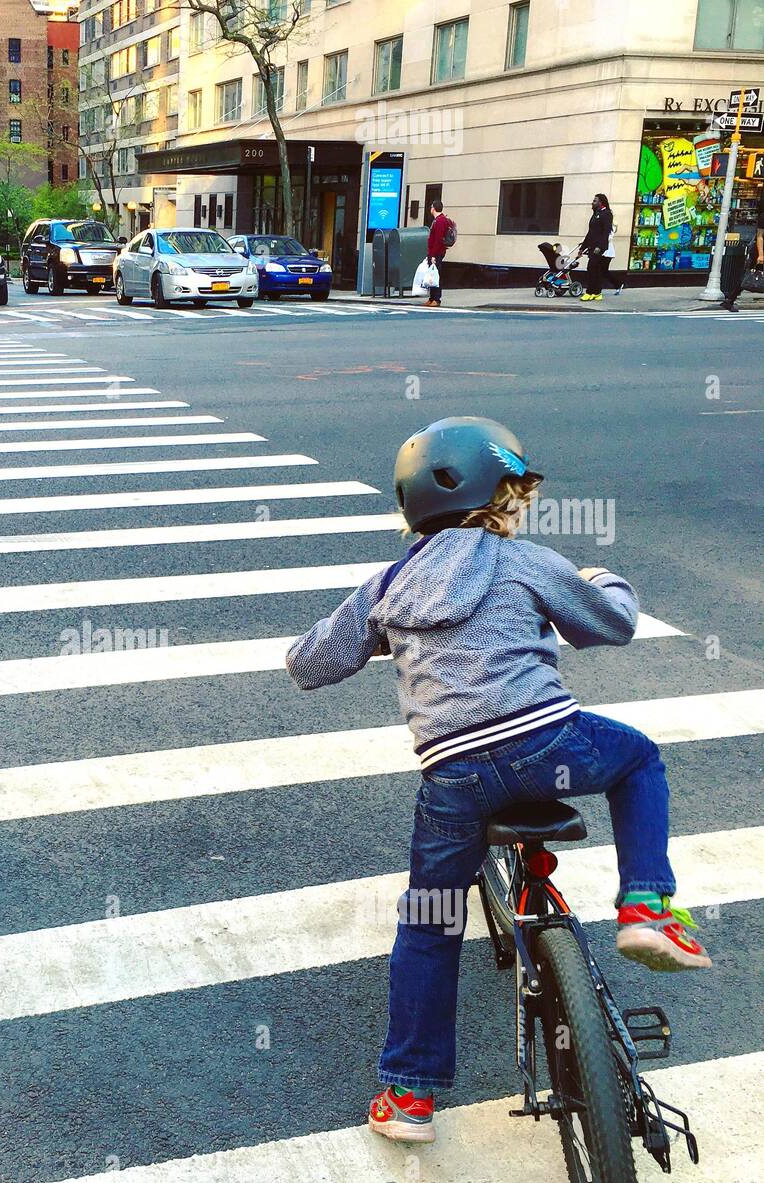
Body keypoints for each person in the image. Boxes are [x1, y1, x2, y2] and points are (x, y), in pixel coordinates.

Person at [285, 417, 710, 1144]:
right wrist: (603, 579)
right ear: (499, 501)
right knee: (638, 759)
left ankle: (411, 1096)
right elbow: (609, 624)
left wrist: (326, 640)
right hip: (551, 744)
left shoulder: (388, 585)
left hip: (454, 776)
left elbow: (312, 665)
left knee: (429, 922)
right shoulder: (521, 561)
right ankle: (646, 907)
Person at [722, 208, 764, 313]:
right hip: (759, 251)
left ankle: (730, 300)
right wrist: (761, 255)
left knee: (746, 276)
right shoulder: (763, 217)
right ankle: (730, 300)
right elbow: (760, 237)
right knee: (747, 276)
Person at [578, 192, 613, 302]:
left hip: (599, 247)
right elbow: (590, 233)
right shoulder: (595, 214)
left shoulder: (607, 214)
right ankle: (597, 293)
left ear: (601, 202)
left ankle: (590, 292)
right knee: (595, 269)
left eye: (595, 201)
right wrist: (582, 248)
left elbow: (606, 232)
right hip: (592, 246)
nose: (592, 203)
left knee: (591, 267)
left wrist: (600, 246)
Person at [423, 200, 454, 307]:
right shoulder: (439, 220)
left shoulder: (440, 221)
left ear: (434, 208)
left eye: (431, 207)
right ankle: (432, 298)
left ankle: (436, 299)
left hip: (436, 253)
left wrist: (433, 255)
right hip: (435, 252)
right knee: (432, 275)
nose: (430, 209)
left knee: (435, 275)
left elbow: (438, 240)